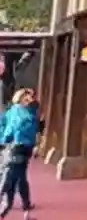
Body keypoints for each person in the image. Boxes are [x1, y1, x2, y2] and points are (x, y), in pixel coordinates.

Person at [0, 88, 38, 219]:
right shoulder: (18, 111)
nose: (30, 99)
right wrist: (5, 139)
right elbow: (12, 127)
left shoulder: (29, 111)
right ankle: (18, 207)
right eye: (27, 97)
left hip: (25, 147)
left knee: (19, 177)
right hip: (19, 146)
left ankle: (23, 209)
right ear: (21, 98)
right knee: (14, 177)